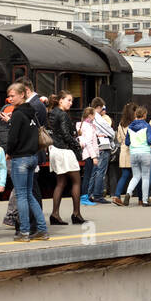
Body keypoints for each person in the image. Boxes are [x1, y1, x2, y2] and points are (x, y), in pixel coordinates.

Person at [3, 80, 49, 243]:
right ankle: (42, 230)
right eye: (9, 96)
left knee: (22, 196)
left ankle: (24, 232)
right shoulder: (33, 113)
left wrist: (8, 152)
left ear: (22, 95)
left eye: (12, 96)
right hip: (32, 157)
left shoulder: (17, 114)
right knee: (29, 195)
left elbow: (13, 137)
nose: (10, 99)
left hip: (20, 158)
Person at [47, 91, 85, 225]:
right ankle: (76, 214)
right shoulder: (63, 115)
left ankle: (55, 214)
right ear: (60, 100)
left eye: (71, 101)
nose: (70, 103)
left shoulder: (52, 112)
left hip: (54, 150)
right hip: (64, 151)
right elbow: (65, 134)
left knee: (61, 183)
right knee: (76, 181)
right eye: (68, 100)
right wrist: (77, 144)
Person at [123, 106, 151, 206]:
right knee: (145, 177)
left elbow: (127, 142)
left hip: (133, 154)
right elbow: (149, 141)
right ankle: (145, 201)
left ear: (136, 115)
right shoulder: (147, 126)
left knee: (136, 176)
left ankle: (128, 192)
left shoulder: (130, 127)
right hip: (144, 153)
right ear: (144, 115)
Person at [89, 97, 114, 204]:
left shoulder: (88, 116)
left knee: (94, 171)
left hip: (94, 146)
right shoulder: (98, 117)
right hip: (102, 146)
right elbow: (109, 130)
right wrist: (112, 135)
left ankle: (89, 193)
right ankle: (98, 195)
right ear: (98, 107)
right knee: (101, 171)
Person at [78, 106, 99, 203]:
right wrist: (94, 156)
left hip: (86, 154)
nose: (95, 117)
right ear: (90, 115)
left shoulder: (83, 125)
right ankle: (84, 197)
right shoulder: (88, 126)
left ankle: (85, 196)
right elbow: (89, 142)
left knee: (87, 176)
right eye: (94, 114)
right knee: (87, 176)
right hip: (89, 154)